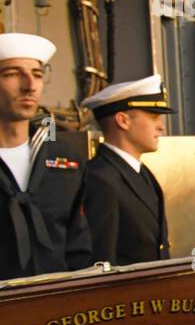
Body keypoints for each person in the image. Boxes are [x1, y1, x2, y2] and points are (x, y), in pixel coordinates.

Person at [0, 33, 92, 280]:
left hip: (56, 312)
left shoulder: (66, 161)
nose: (29, 85)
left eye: (38, 75)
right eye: (11, 74)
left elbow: (79, 247)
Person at [82, 74, 174, 265]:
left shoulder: (140, 172)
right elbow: (101, 263)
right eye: (154, 116)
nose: (161, 126)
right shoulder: (100, 179)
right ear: (123, 121)